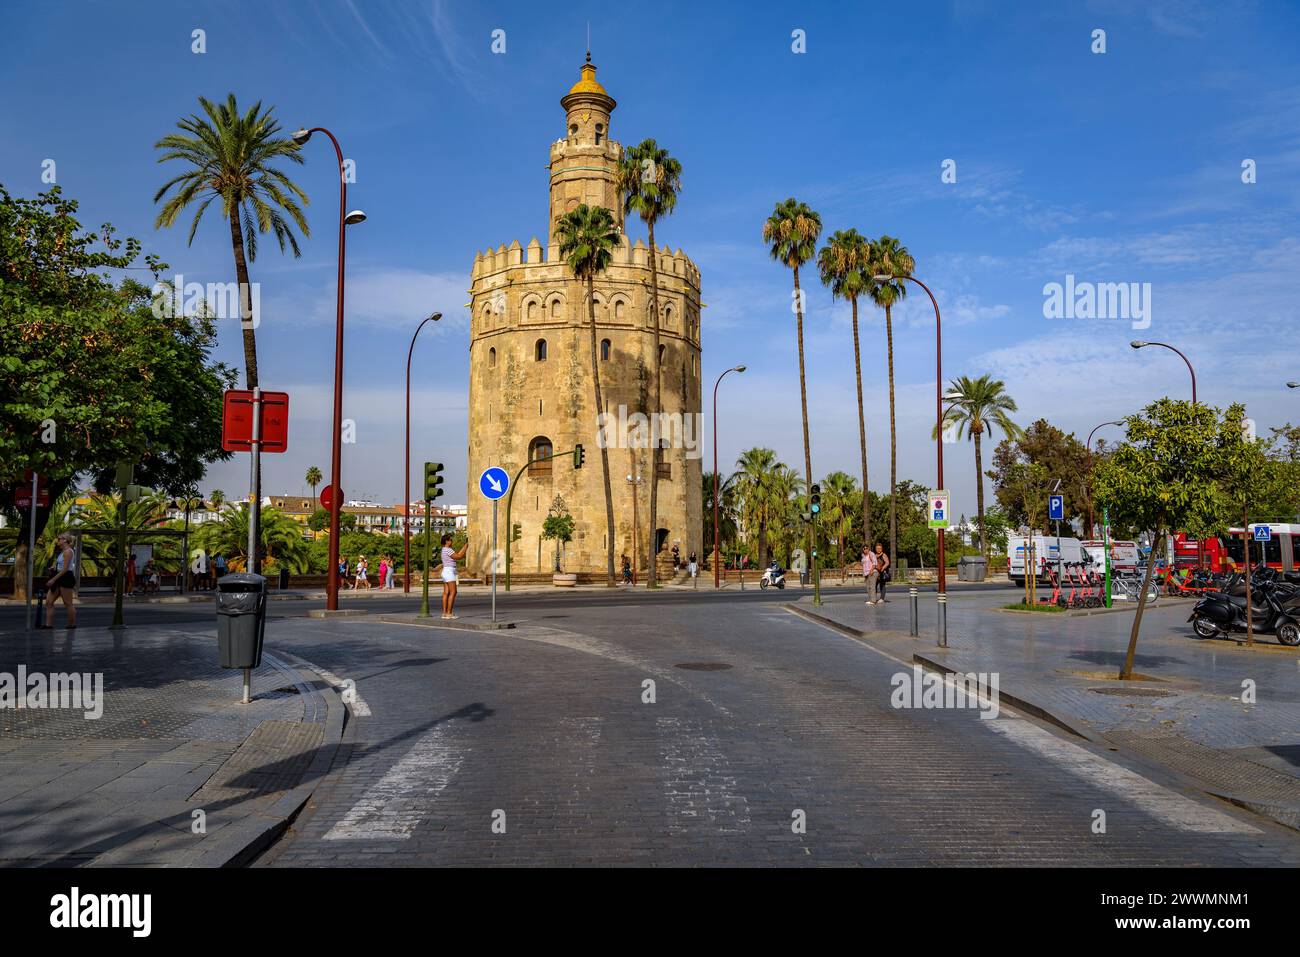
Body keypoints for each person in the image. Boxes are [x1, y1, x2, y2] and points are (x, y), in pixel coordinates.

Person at [43, 535, 78, 629]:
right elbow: (61, 566)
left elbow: (65, 569)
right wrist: (54, 568)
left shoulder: (68, 552)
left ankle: (72, 624)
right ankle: (48, 625)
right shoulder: (63, 552)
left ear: (65, 540)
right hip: (59, 576)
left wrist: (53, 579)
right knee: (49, 602)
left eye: (59, 539)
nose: (58, 540)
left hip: (65, 577)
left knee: (67, 603)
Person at [440, 534, 468, 619]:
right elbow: (459, 556)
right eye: (450, 540)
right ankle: (449, 613)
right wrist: (465, 546)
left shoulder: (443, 550)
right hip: (449, 572)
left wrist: (465, 546)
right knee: (453, 592)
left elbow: (457, 555)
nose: (452, 541)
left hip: (445, 571)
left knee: (446, 593)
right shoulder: (448, 550)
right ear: (447, 541)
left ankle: (444, 613)